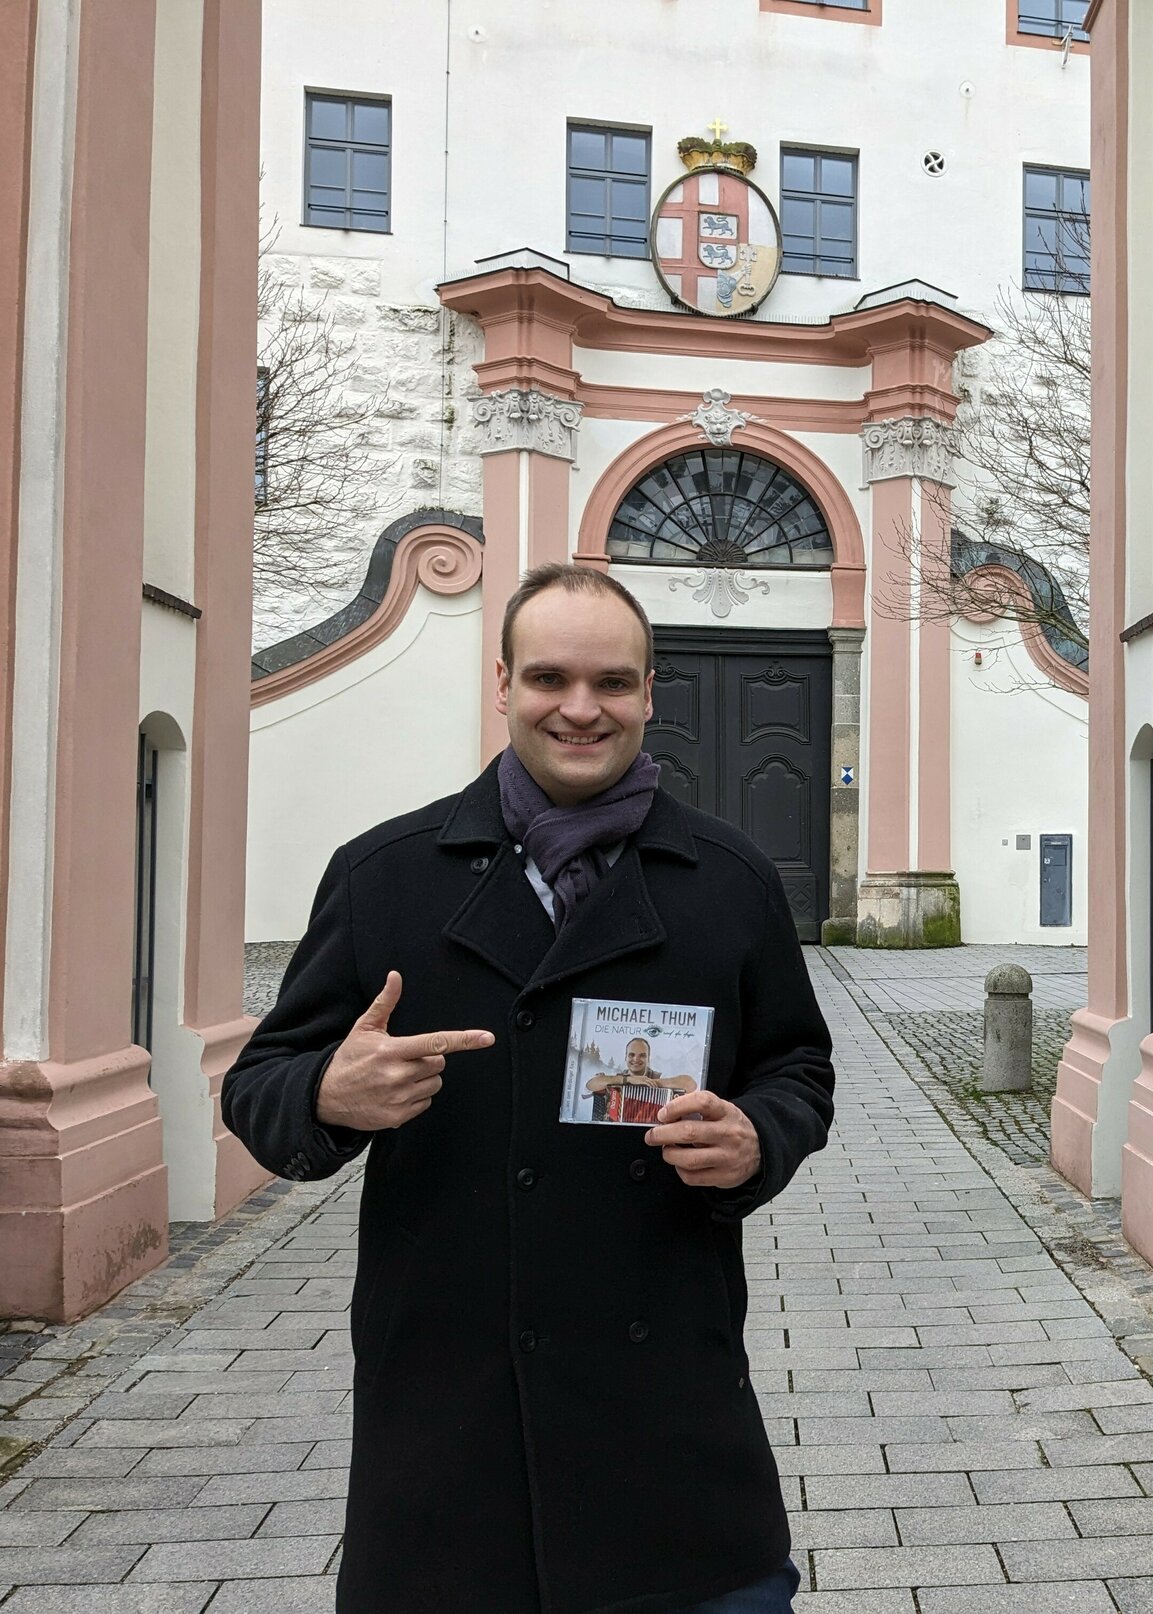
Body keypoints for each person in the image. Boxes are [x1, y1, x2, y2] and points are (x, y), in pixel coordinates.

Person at [224, 563, 832, 1614]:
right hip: (449, 1427)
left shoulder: (729, 880)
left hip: (669, 1417)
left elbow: (797, 1066)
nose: (581, 708)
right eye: (550, 677)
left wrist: (758, 1139)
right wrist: (327, 1090)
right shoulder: (386, 875)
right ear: (501, 682)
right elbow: (258, 1085)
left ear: (652, 691)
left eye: (612, 682)